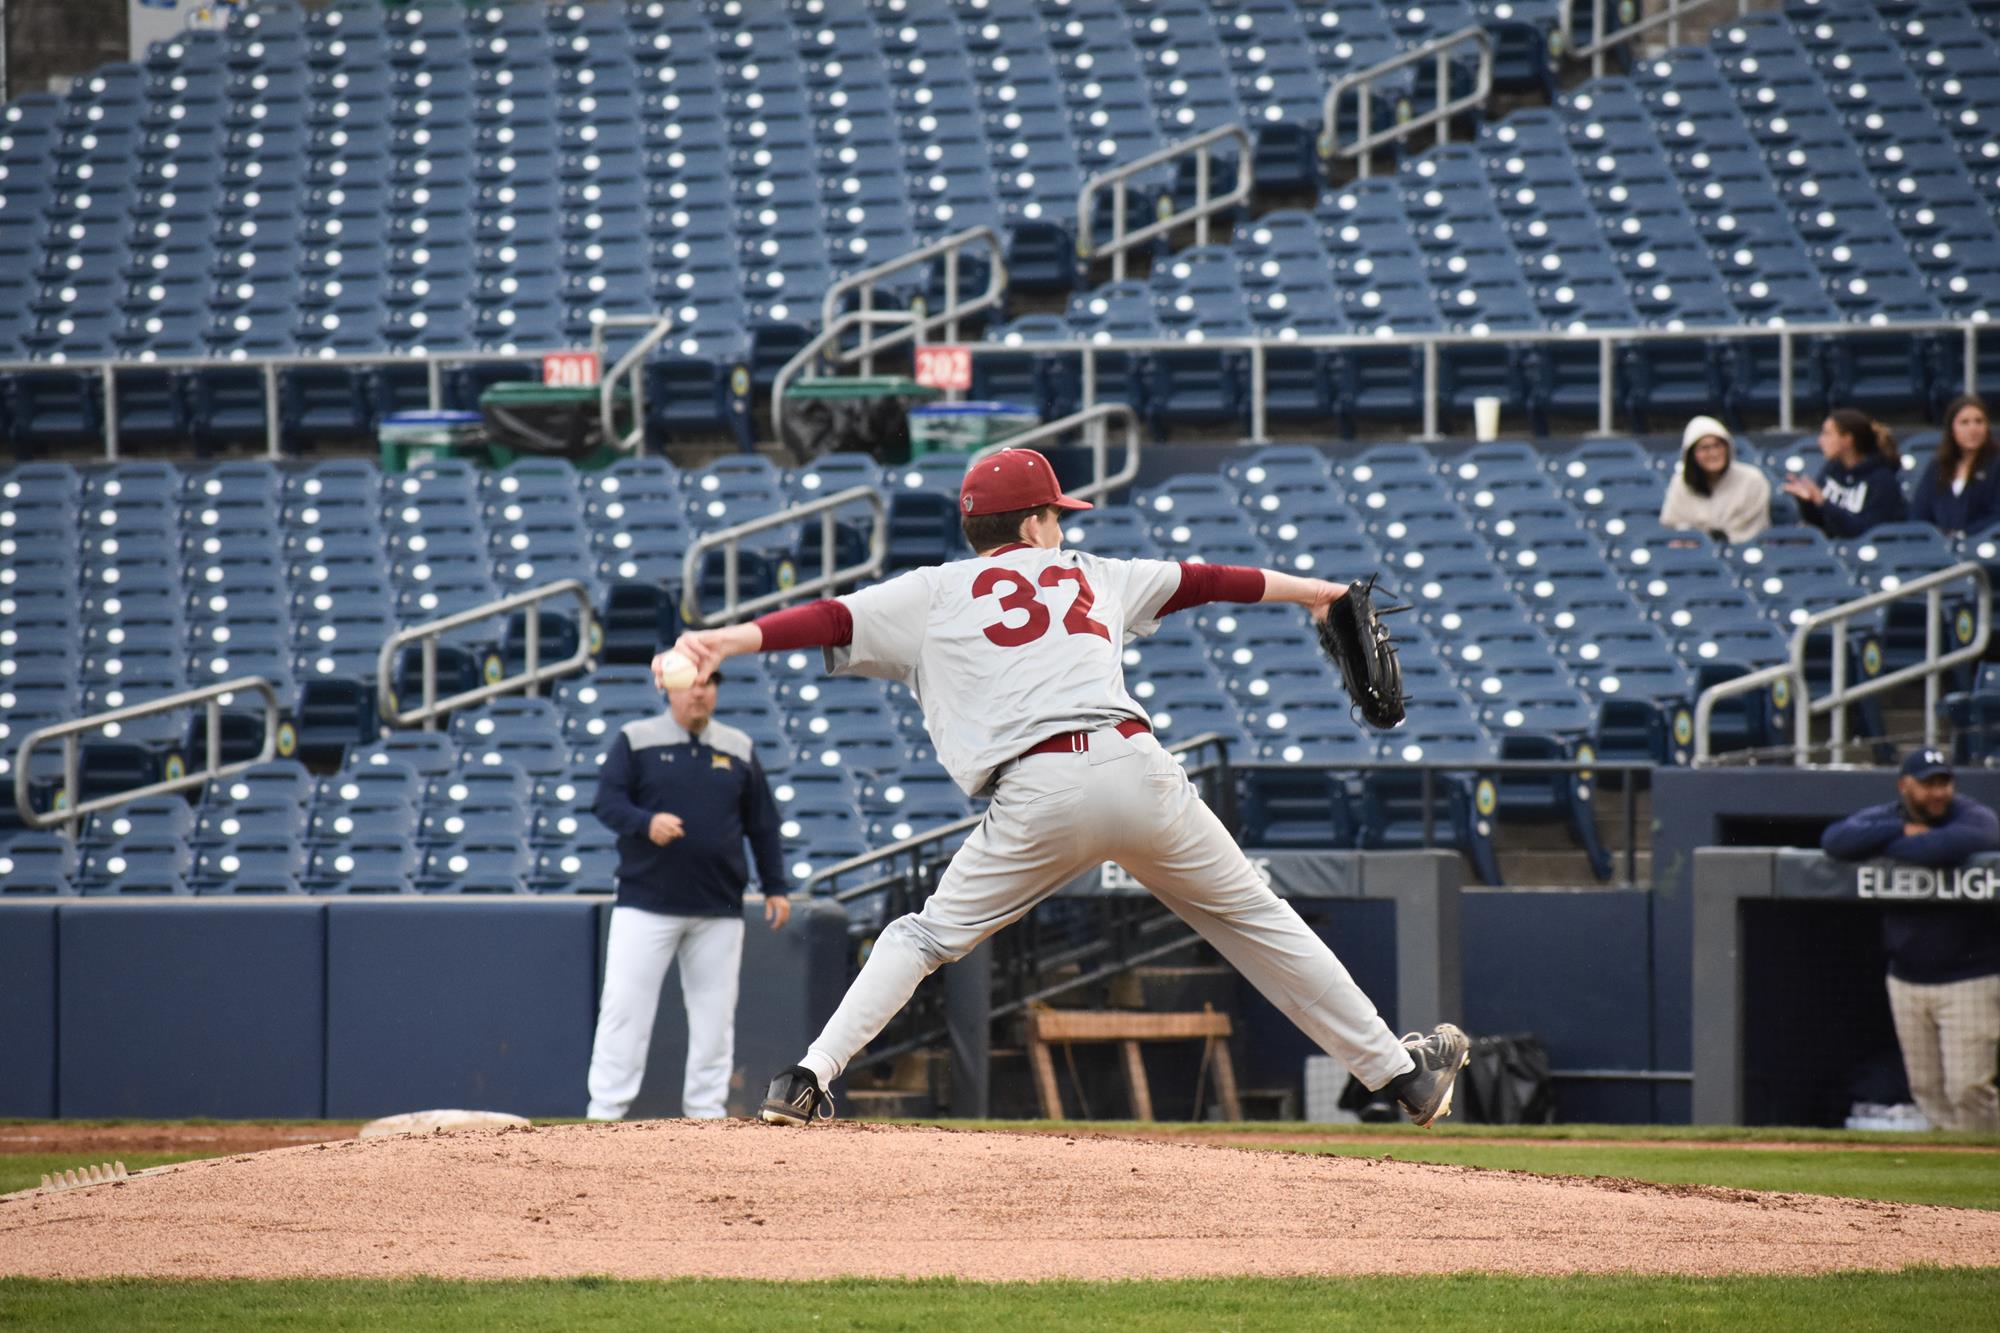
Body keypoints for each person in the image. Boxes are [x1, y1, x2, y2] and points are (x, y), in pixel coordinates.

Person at [659, 447, 1471, 1129]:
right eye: (1055, 513)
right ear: (1031, 524)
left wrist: (722, 641)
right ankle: (1400, 1074)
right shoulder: (1090, 571)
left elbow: (826, 620)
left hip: (1037, 792)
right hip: (1138, 768)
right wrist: (1323, 594)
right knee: (1257, 920)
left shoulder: (932, 591)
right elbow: (1213, 579)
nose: (1062, 525)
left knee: (922, 935)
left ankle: (809, 1076)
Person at [585, 666, 793, 1122]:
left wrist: (775, 885)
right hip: (646, 903)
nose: (700, 692)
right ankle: (604, 1113)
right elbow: (606, 801)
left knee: (714, 1018)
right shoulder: (636, 739)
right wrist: (646, 822)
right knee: (624, 1009)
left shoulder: (736, 746)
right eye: (691, 683)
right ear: (669, 688)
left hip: (717, 906)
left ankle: (706, 1114)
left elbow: (763, 823)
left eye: (709, 683)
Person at [1820, 748, 2000, 1131]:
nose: (1938, 793)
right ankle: (1945, 1178)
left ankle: (1985, 1166)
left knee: (1968, 1089)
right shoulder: (1891, 817)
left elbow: (1950, 846)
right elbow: (1835, 840)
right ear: (1905, 785)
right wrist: (1899, 832)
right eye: (1928, 784)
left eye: (1944, 782)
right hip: (1906, 980)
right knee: (1927, 1090)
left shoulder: (1972, 815)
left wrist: (1888, 846)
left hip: (1969, 978)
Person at [1782, 408, 1908, 538]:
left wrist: (1823, 502)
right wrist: (1808, 502)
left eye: (1827, 434)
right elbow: (1821, 523)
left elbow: (1868, 531)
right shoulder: (1832, 469)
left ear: (1847, 439)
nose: (1820, 440)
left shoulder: (1883, 480)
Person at [1659, 413, 1771, 544]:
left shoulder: (1752, 479)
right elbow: (1674, 526)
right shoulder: (1680, 483)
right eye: (1704, 448)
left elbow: (1754, 529)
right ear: (1691, 454)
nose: (1713, 453)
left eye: (1718, 445)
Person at [1911, 394, 2000, 535]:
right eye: (1964, 422)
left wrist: (1964, 534)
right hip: (1940, 550)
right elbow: (1919, 514)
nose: (1973, 429)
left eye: (1979, 421)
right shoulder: (1937, 467)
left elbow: (1997, 515)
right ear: (1952, 430)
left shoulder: (1996, 465)